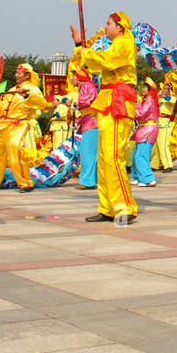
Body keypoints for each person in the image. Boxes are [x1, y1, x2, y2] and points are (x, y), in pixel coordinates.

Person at [71, 13, 139, 223]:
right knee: (103, 158)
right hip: (108, 99)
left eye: (109, 23)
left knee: (113, 157)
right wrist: (80, 46)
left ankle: (125, 207)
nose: (105, 27)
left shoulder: (124, 44)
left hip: (118, 101)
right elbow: (92, 65)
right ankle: (108, 207)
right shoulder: (113, 45)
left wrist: (86, 50)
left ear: (120, 27)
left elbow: (106, 62)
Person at [0, 64, 48, 192]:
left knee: (14, 149)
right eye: (16, 73)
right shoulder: (12, 90)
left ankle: (26, 183)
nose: (16, 75)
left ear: (27, 75)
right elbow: (2, 109)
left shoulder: (32, 89)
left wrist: (26, 96)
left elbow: (42, 103)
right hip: (4, 124)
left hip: (19, 123)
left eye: (19, 73)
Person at [152, 69, 177, 173]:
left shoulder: (171, 98)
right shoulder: (159, 99)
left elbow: (175, 101)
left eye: (166, 89)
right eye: (163, 88)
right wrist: (158, 96)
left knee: (163, 144)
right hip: (157, 123)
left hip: (165, 123)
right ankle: (154, 165)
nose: (164, 90)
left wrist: (166, 96)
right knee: (155, 146)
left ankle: (168, 165)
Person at [129, 81, 160, 187]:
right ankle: (138, 177)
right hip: (143, 129)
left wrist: (130, 109)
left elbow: (141, 113)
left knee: (141, 154)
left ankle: (148, 178)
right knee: (135, 155)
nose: (143, 89)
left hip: (148, 129)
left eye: (145, 88)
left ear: (150, 90)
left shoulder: (150, 101)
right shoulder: (145, 100)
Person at [73, 71, 100, 190]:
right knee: (88, 152)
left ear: (78, 77)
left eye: (73, 76)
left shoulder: (87, 86)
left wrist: (75, 104)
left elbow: (87, 101)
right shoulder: (86, 87)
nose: (72, 79)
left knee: (87, 152)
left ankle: (88, 181)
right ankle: (89, 179)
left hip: (91, 122)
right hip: (88, 120)